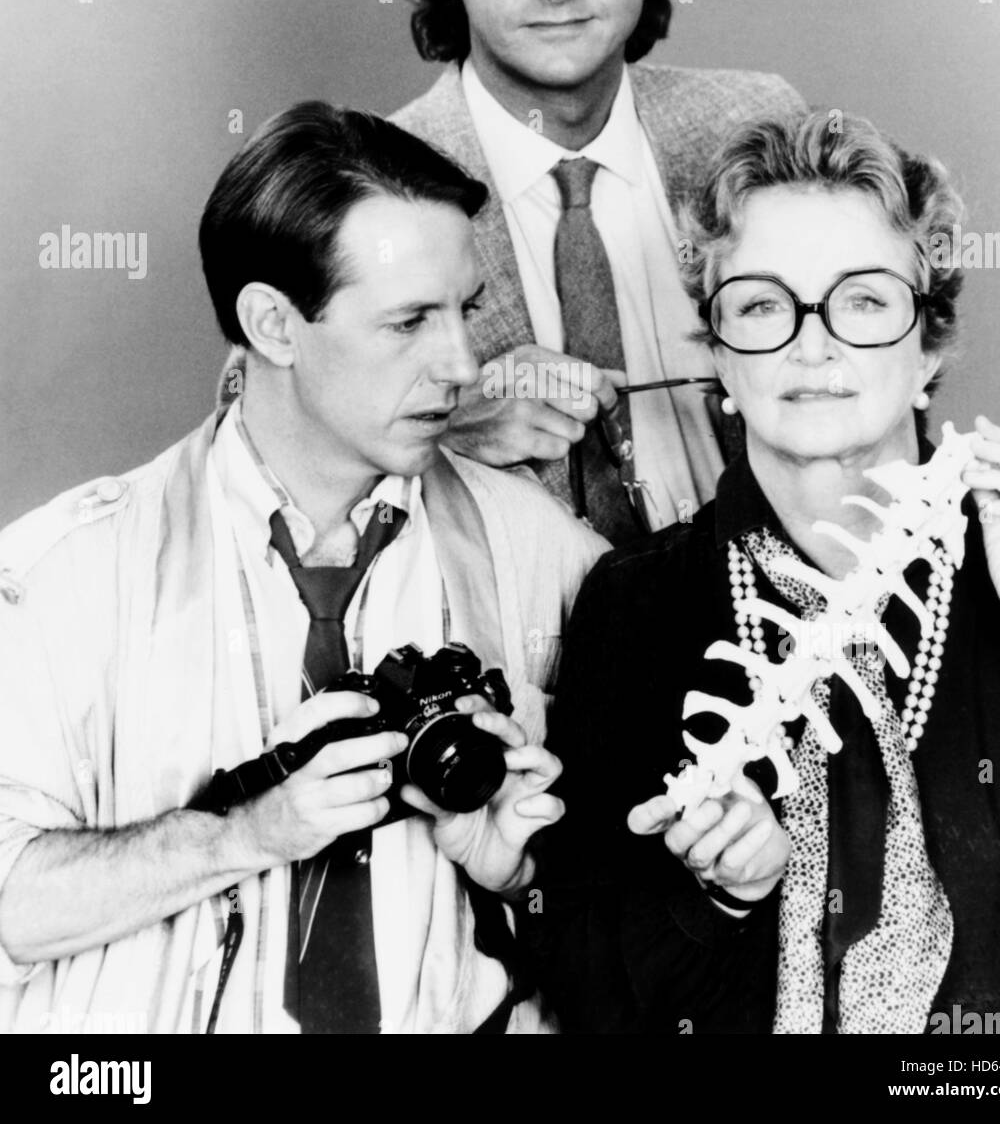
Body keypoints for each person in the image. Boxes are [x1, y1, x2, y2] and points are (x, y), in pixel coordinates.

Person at [0, 103, 606, 1035]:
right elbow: (12, 904)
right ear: (273, 324)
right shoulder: (60, 575)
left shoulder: (546, 550)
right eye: (408, 322)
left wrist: (524, 876)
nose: (461, 364)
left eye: (464, 312)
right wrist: (246, 835)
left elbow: (648, 891)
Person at [524, 110, 1000, 1033]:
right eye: (762, 305)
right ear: (720, 362)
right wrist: (720, 899)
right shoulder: (635, 604)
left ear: (928, 347)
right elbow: (580, 985)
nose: (809, 346)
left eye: (862, 300)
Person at [391, 0, 804, 543]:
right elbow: (259, 440)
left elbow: (886, 359)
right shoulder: (366, 185)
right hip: (499, 655)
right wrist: (436, 434)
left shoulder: (756, 127)